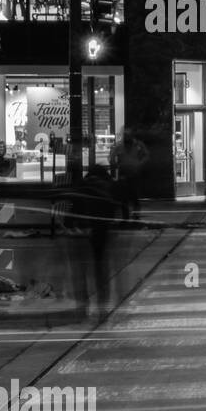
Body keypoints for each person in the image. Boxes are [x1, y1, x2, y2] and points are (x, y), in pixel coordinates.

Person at [74, 165, 119, 316]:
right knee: (100, 266)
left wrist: (77, 225)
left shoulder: (82, 186)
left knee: (81, 269)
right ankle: (103, 302)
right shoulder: (108, 187)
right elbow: (112, 209)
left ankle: (82, 305)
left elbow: (76, 208)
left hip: (83, 229)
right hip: (100, 229)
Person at [108, 126, 149, 221]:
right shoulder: (119, 146)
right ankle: (125, 217)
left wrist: (140, 164)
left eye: (128, 135)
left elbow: (146, 155)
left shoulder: (138, 145)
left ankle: (135, 216)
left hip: (135, 173)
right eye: (125, 135)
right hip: (124, 174)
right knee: (124, 197)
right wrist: (115, 165)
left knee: (134, 196)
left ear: (132, 135)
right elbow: (111, 157)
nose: (127, 137)